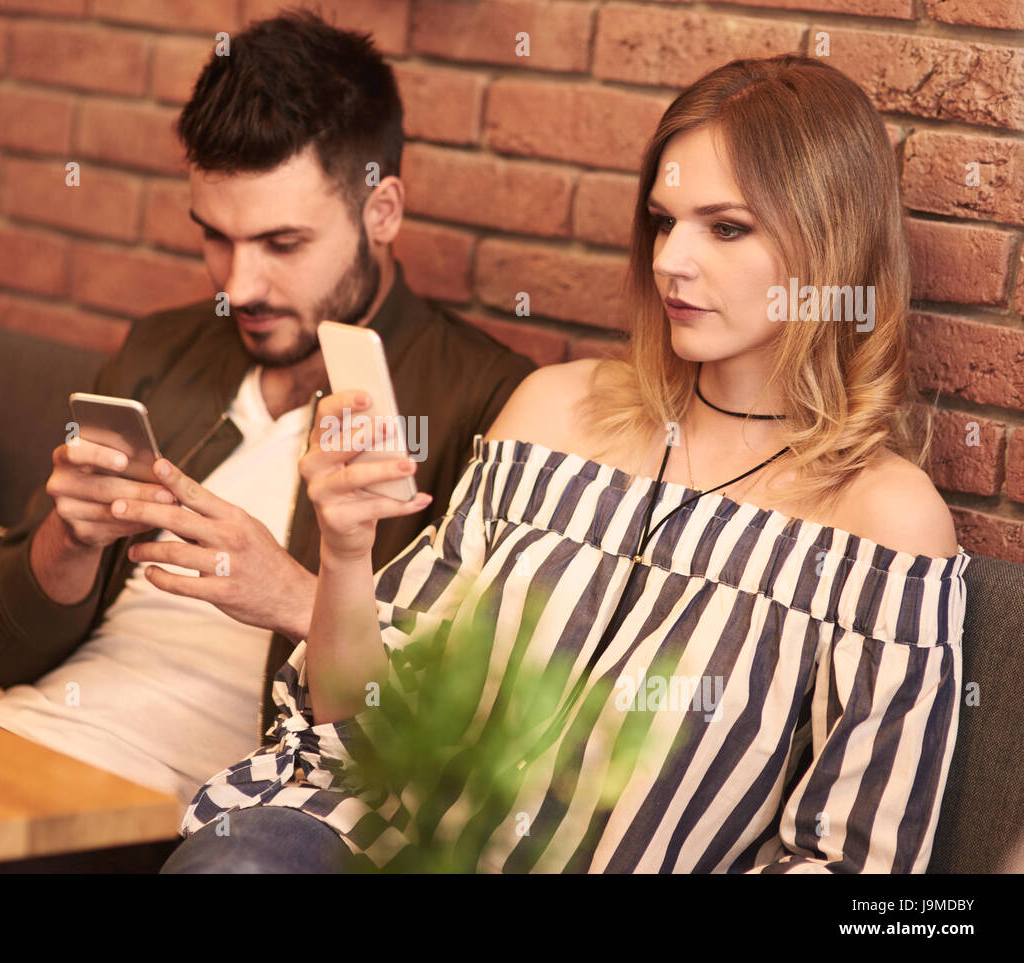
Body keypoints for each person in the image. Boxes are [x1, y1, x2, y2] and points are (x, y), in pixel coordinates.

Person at [168, 54, 968, 874]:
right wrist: (344, 552)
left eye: (726, 227)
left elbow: (851, 867)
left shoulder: (884, 524)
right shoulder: (553, 411)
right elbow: (359, 723)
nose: (671, 261)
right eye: (663, 221)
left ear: (828, 244)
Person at [0, 10, 534, 811]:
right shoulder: (162, 351)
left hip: (178, 822)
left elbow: (459, 744)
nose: (239, 287)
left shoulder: (485, 403)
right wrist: (70, 539)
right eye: (216, 239)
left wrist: (296, 595)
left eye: (282, 243)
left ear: (383, 211)